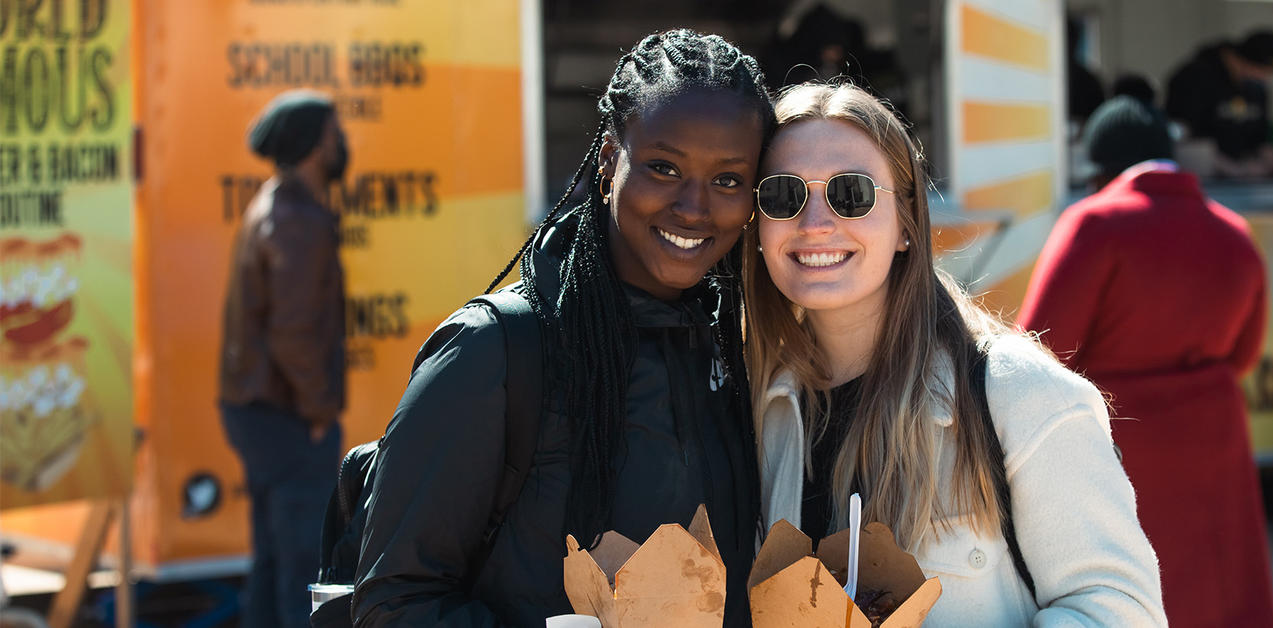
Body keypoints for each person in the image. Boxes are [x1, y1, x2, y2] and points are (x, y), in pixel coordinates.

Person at [353, 30, 773, 627]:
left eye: (728, 180)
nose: (694, 207)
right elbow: (392, 604)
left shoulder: (737, 350)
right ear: (608, 161)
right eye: (663, 168)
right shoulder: (495, 352)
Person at [745, 83, 1166, 626]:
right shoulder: (761, 404)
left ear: (907, 223)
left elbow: (1123, 611)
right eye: (783, 195)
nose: (815, 222)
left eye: (851, 193)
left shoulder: (1017, 393)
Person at [1017, 97, 1273, 627]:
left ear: (1102, 169)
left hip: (1118, 441)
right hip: (1216, 437)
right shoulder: (1234, 230)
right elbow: (1246, 353)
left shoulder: (1094, 222)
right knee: (1221, 589)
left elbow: (1036, 352)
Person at [218, 90, 350, 628]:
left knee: (273, 561)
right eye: (335, 134)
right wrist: (319, 412)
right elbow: (293, 334)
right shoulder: (298, 220)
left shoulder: (279, 204)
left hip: (260, 411)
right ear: (315, 146)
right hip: (286, 416)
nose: (343, 145)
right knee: (302, 571)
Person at [1164, 29, 1273, 178]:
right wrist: (1231, 168)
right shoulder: (1195, 77)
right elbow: (1183, 135)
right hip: (1200, 175)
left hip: (1243, 177)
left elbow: (1260, 136)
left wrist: (1268, 158)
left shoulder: (1256, 88)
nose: (1263, 79)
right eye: (1261, 72)